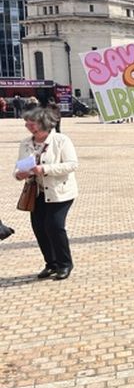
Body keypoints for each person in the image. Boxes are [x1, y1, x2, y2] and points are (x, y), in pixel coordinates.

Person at [14, 107, 79, 280]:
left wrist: (44, 169)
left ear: (43, 123)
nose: (28, 125)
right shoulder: (26, 143)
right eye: (26, 122)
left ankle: (65, 264)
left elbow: (72, 164)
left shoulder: (60, 140)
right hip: (37, 193)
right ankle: (51, 263)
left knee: (54, 226)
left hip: (60, 191)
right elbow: (19, 165)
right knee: (40, 228)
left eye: (32, 122)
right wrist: (19, 174)